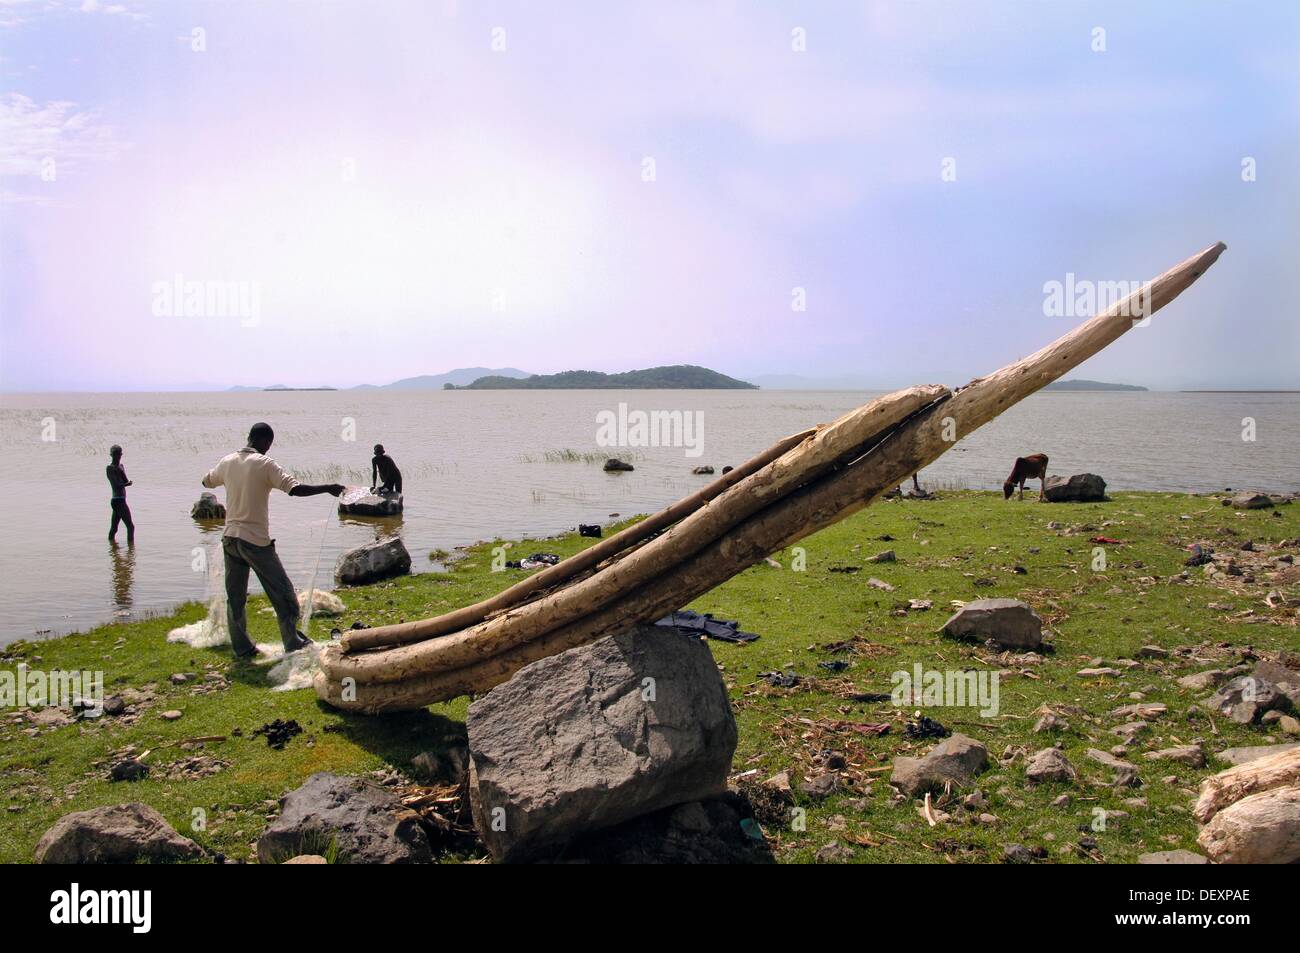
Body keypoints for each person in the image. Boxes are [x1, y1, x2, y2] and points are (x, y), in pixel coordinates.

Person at [201, 422, 343, 659]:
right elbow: (294, 489)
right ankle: (292, 643)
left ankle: (243, 648)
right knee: (285, 595)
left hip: (230, 539)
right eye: (270, 444)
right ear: (266, 442)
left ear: (249, 437)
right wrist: (328, 487)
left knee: (235, 597)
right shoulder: (265, 464)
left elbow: (206, 481)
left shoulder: (227, 461)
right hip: (255, 542)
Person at [106, 444, 135, 543]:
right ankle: (131, 552)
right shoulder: (110, 468)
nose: (117, 456)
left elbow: (125, 480)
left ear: (121, 455)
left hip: (121, 499)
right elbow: (116, 484)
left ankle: (111, 548)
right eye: (115, 454)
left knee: (114, 528)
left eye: (118, 454)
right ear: (111, 455)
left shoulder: (121, 466)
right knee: (130, 526)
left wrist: (126, 481)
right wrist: (127, 483)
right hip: (117, 501)